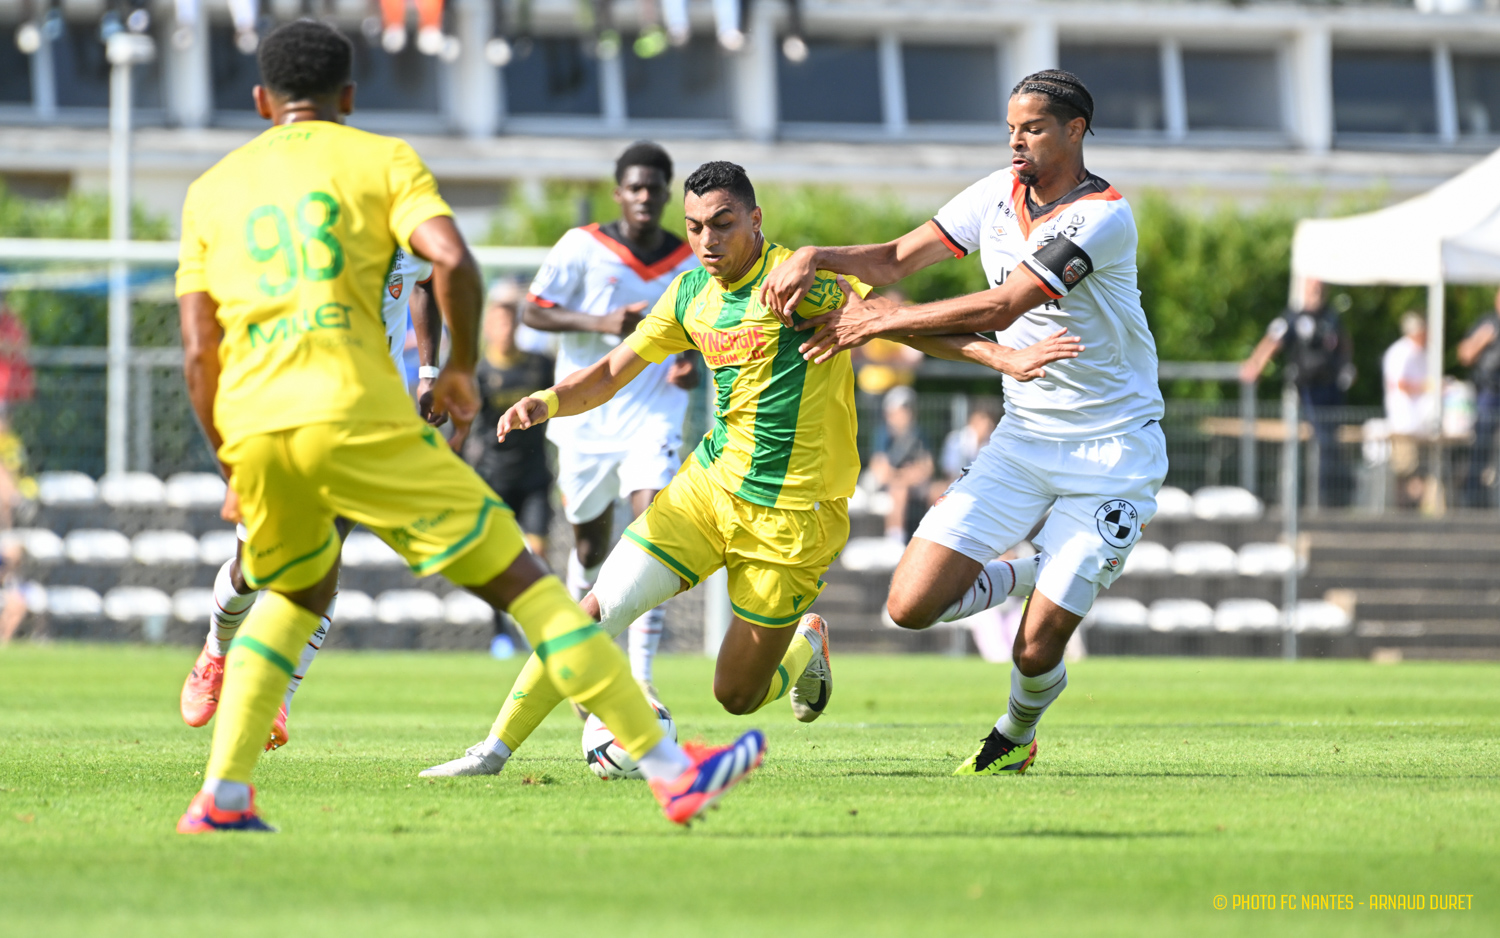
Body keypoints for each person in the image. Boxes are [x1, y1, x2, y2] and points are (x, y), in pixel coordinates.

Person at [171, 20, 762, 832]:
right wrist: (453, 374)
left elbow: (199, 352)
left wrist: (232, 464)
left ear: (260, 101)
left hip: (256, 426)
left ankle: (224, 797)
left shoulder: (210, 189)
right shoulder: (379, 159)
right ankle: (670, 771)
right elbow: (452, 261)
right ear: (349, 97)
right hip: (356, 414)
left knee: (297, 587)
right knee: (530, 585)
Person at [418, 160, 1083, 779]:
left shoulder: (800, 285)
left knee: (735, 695)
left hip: (793, 521)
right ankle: (491, 752)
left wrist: (1001, 358)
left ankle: (803, 648)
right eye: (696, 228)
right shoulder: (688, 296)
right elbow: (615, 370)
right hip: (705, 495)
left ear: (755, 220)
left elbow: (898, 323)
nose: (708, 241)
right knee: (589, 612)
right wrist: (546, 403)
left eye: (723, 224)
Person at [759, 69, 1165, 777]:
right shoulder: (993, 195)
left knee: (1034, 651)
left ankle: (1015, 733)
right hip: (1022, 440)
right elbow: (891, 260)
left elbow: (1003, 307)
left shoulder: (1102, 216)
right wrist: (814, 255)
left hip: (1112, 454)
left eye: (1033, 127)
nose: (1017, 140)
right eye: (1011, 127)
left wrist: (880, 320)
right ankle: (1032, 569)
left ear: (1075, 131)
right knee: (908, 606)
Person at [176, 168, 447, 755]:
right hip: (289, 416)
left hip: (367, 426)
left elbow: (426, 285)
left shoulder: (402, 236)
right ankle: (217, 651)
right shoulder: (297, 248)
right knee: (257, 563)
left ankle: (280, 696)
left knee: (325, 559)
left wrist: (427, 372)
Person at [521, 141, 700, 693]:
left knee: (653, 535)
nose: (645, 196)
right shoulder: (582, 246)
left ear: (668, 194)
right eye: (635, 187)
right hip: (587, 418)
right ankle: (585, 655)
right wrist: (601, 323)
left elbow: (702, 329)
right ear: (619, 192)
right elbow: (533, 310)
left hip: (654, 414)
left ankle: (641, 684)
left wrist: (692, 362)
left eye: (655, 188)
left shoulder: (689, 260)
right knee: (591, 549)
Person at [1240, 278, 1354, 506]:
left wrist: (1348, 367)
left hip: (1331, 389)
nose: (1316, 294)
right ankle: (1319, 500)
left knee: (1331, 441)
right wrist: (1255, 364)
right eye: (1312, 290)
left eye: (1320, 290)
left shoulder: (1331, 317)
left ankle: (1332, 497)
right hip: (1309, 390)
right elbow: (1272, 341)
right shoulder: (1293, 317)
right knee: (1320, 439)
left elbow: (1345, 342)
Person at [463, 280, 555, 559]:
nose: (504, 330)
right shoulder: (474, 374)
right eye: (498, 324)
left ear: (517, 325)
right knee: (498, 557)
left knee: (537, 553)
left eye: (509, 322)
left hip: (534, 474)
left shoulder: (541, 366)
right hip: (492, 477)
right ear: (487, 329)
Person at [867, 385, 933, 543]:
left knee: (939, 491)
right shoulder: (882, 434)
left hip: (915, 486)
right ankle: (895, 540)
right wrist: (906, 475)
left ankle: (934, 540)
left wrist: (907, 475)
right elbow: (881, 472)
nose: (906, 414)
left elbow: (927, 468)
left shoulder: (919, 434)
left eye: (908, 409)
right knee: (899, 491)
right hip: (890, 487)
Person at [1383, 312, 1434, 509]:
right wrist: (1427, 387)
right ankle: (1402, 513)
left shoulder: (1423, 353)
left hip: (1422, 423)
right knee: (1405, 470)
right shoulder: (1400, 352)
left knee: (1421, 470)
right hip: (1404, 421)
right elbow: (1400, 383)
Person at [1458, 292, 1500, 507]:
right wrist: (1481, 340)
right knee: (1481, 444)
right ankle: (1473, 495)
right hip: (1490, 392)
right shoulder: (1486, 323)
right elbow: (1464, 355)